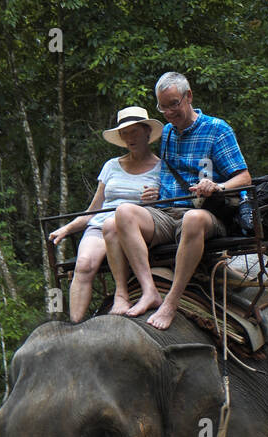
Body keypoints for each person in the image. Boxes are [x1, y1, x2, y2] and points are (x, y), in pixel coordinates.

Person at [105, 72, 251, 330]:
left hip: (206, 213)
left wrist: (217, 186)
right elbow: (169, 175)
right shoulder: (169, 133)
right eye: (163, 107)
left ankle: (172, 301)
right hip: (167, 212)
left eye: (174, 104)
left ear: (188, 97)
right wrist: (154, 192)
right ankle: (149, 290)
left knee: (192, 219)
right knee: (124, 212)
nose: (170, 112)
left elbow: (244, 177)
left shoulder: (217, 129)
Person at [48, 107, 161, 323]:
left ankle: (122, 295)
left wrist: (156, 197)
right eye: (125, 133)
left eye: (134, 131)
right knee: (84, 264)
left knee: (115, 224)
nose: (130, 138)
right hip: (100, 225)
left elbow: (166, 210)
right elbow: (94, 209)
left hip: (132, 227)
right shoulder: (111, 166)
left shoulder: (161, 168)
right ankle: (75, 326)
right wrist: (67, 228)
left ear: (147, 132)